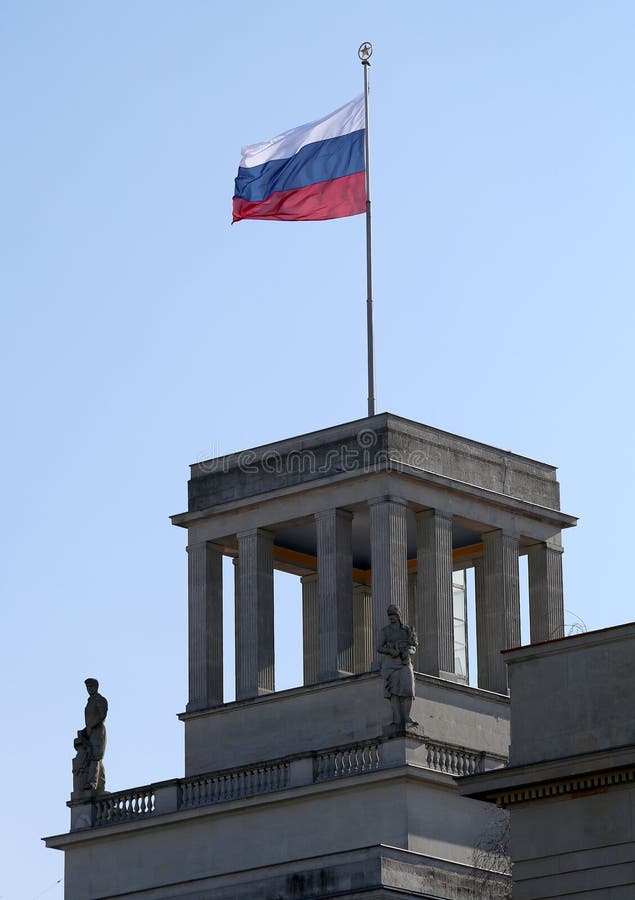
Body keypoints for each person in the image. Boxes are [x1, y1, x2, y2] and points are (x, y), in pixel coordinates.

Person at [377, 605, 418, 728]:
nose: (391, 618)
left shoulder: (407, 630)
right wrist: (390, 651)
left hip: (405, 662)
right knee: (393, 691)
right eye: (389, 616)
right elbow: (379, 647)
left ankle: (406, 716)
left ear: (399, 616)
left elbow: (413, 646)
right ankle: (397, 718)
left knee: (408, 689)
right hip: (391, 664)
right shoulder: (386, 631)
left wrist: (408, 651)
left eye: (393, 615)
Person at [81, 677, 108, 792]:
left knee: (95, 757)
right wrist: (85, 729)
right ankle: (101, 785)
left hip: (98, 731)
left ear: (96, 687)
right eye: (87, 687)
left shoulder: (100, 700)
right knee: (96, 759)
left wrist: (91, 726)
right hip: (90, 732)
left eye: (91, 686)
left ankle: (92, 783)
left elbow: (102, 715)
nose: (89, 689)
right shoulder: (90, 701)